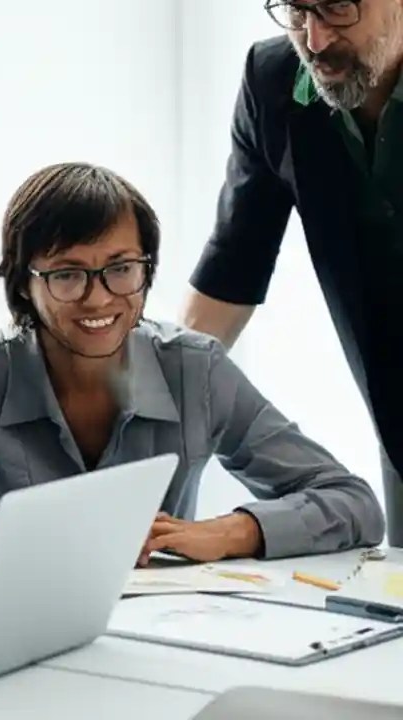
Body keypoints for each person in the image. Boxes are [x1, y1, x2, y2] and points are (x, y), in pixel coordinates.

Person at [0, 162, 384, 563]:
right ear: (23, 283)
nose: (98, 298)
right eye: (67, 274)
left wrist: (228, 532)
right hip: (31, 626)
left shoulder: (194, 369)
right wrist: (4, 546)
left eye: (121, 269)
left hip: (170, 632)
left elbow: (354, 504)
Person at [182, 0, 403, 544]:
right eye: (297, 9)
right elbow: (234, 263)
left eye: (336, 8)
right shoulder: (275, 80)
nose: (316, 38)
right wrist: (159, 402)